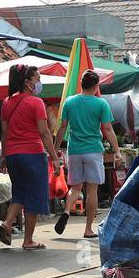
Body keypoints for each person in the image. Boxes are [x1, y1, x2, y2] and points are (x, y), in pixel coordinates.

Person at [0, 64, 60, 250]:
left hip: (13, 155)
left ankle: (7, 223)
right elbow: (44, 132)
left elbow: (4, 131)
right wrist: (55, 157)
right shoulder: (36, 102)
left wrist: (4, 155)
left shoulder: (7, 102)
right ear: (27, 82)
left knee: (20, 193)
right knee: (33, 196)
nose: (39, 82)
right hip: (33, 154)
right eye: (37, 79)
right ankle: (28, 240)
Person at [55, 70, 124, 238]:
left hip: (75, 151)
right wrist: (117, 151)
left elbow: (63, 127)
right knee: (92, 190)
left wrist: (55, 149)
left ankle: (66, 211)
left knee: (75, 188)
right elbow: (107, 129)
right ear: (95, 86)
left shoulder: (70, 102)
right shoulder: (101, 104)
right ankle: (88, 229)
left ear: (81, 84)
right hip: (93, 150)